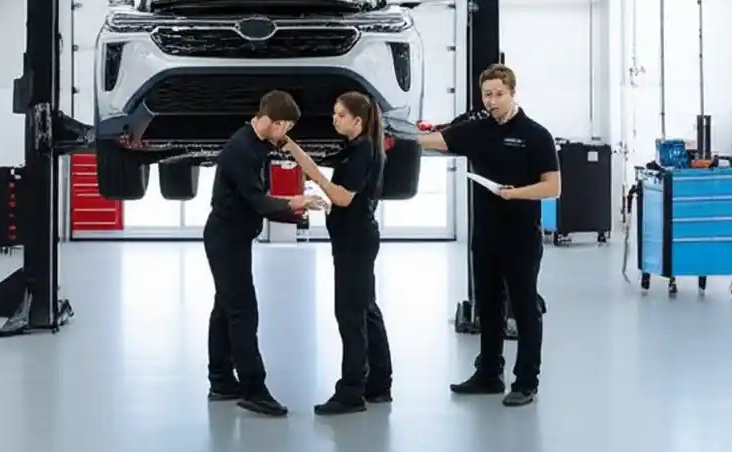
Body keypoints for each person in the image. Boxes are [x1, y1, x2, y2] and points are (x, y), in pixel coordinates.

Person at [418, 64, 560, 407]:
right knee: (489, 304)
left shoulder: (535, 134)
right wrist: (393, 134)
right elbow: (434, 140)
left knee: (524, 308)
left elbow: (552, 187)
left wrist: (517, 193)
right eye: (487, 94)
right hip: (484, 233)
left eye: (499, 94)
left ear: (513, 92)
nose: (493, 100)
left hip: (521, 234)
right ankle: (489, 375)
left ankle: (526, 381)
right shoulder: (477, 130)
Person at [204, 90, 327, 417]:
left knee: (225, 307)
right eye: (284, 127)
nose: (286, 134)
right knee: (243, 310)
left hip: (232, 236)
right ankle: (254, 389)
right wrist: (295, 203)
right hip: (226, 237)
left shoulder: (255, 143)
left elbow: (258, 198)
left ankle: (220, 380)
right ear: (272, 121)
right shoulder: (241, 149)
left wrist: (293, 207)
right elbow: (259, 202)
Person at [282, 91, 394, 415]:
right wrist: (293, 148)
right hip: (351, 238)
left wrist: (315, 178)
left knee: (350, 314)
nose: (335, 119)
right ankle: (379, 383)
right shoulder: (354, 149)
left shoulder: (363, 151)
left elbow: (344, 198)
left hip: (355, 241)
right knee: (365, 310)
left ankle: (351, 391)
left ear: (357, 121)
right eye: (334, 113)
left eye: (340, 114)